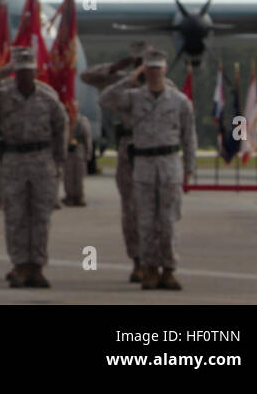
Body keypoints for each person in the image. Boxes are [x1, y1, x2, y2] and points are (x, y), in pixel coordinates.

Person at [0, 47, 67, 288]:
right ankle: (20, 266)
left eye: (28, 71)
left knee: (41, 217)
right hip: (13, 161)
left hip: (42, 161)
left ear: (35, 71)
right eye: (19, 71)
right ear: (14, 72)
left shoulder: (48, 96)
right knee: (16, 217)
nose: (24, 76)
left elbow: (60, 127)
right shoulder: (2, 94)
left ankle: (37, 266)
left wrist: (58, 162)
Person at [100, 48, 197, 290]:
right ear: (145, 70)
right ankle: (150, 268)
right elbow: (105, 99)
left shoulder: (179, 101)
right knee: (145, 221)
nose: (153, 72)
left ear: (164, 69)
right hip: (142, 165)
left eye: (157, 67)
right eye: (149, 68)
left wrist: (190, 168)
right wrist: (131, 77)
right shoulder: (134, 97)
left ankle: (169, 270)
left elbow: (189, 137)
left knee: (168, 220)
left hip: (169, 164)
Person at [82, 41, 149, 281]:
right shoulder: (121, 82)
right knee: (131, 210)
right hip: (129, 151)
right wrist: (119, 67)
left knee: (157, 211)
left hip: (155, 152)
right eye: (139, 61)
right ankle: (138, 261)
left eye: (147, 61)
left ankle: (155, 260)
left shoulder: (164, 86)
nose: (143, 66)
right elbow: (87, 76)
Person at [63, 113, 92, 207]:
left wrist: (88, 152)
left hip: (79, 150)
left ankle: (79, 197)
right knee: (68, 177)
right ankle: (70, 197)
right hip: (67, 151)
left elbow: (87, 138)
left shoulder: (82, 121)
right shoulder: (64, 120)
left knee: (79, 176)